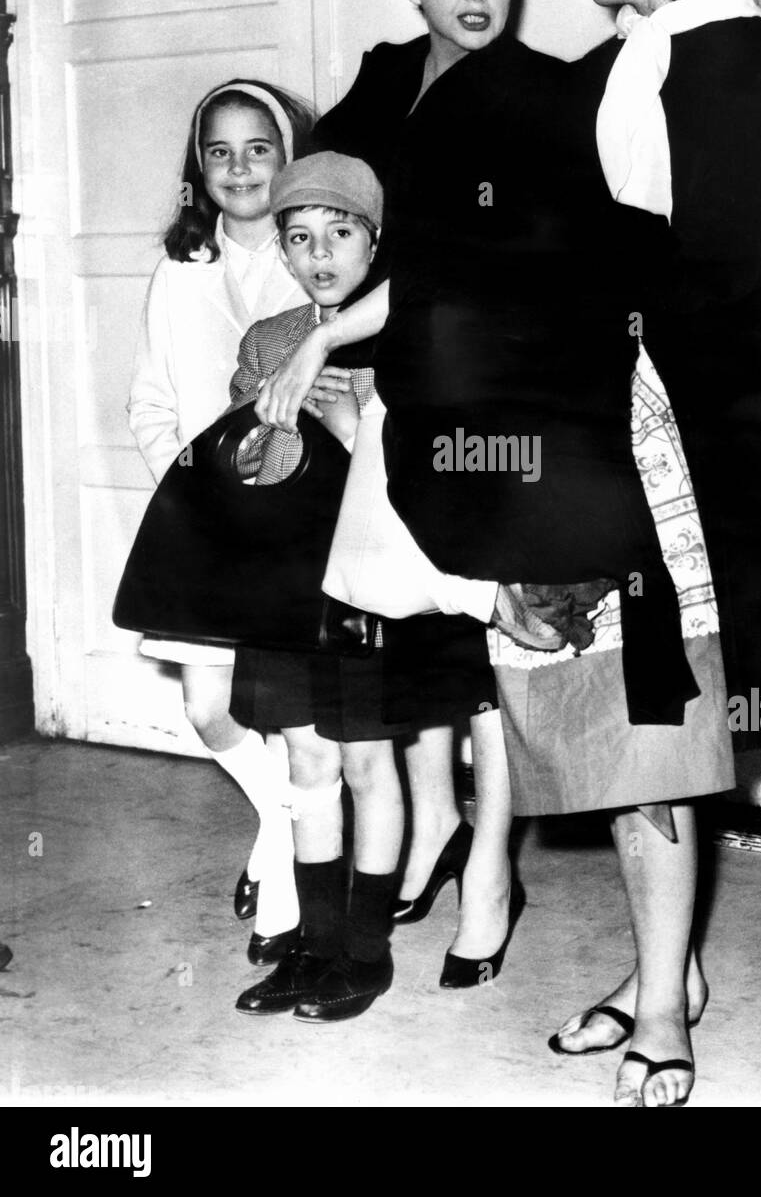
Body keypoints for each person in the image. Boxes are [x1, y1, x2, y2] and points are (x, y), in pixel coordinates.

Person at [256, 0, 695, 990]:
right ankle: (412, 854)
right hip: (388, 396)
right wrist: (308, 329)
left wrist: (342, 336)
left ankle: (490, 874)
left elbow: (526, 269)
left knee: (499, 650)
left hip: (495, 407)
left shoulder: (543, 94)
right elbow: (326, 206)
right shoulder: (384, 80)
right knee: (392, 640)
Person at [543, 0, 761, 1105]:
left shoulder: (750, 63)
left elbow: (721, 273)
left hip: (691, 454)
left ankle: (663, 1003)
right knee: (627, 725)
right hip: (611, 440)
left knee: (660, 719)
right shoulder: (614, 64)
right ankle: (663, 971)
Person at [128, 79, 316, 963]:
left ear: (288, 157)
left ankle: (283, 894)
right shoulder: (180, 270)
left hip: (302, 526)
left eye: (258, 148)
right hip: (209, 525)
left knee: (295, 715)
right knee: (211, 709)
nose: (240, 168)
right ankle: (284, 823)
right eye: (219, 151)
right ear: (198, 169)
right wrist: (194, 490)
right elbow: (150, 403)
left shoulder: (316, 252)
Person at [229, 152, 410, 1021]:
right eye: (298, 238)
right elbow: (242, 471)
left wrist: (349, 422)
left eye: (341, 233)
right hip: (289, 581)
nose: (320, 254)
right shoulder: (267, 341)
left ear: (375, 243)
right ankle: (316, 941)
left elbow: (420, 479)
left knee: (370, 761)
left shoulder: (403, 335)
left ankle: (365, 953)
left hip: (370, 582)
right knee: (308, 761)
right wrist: (270, 422)